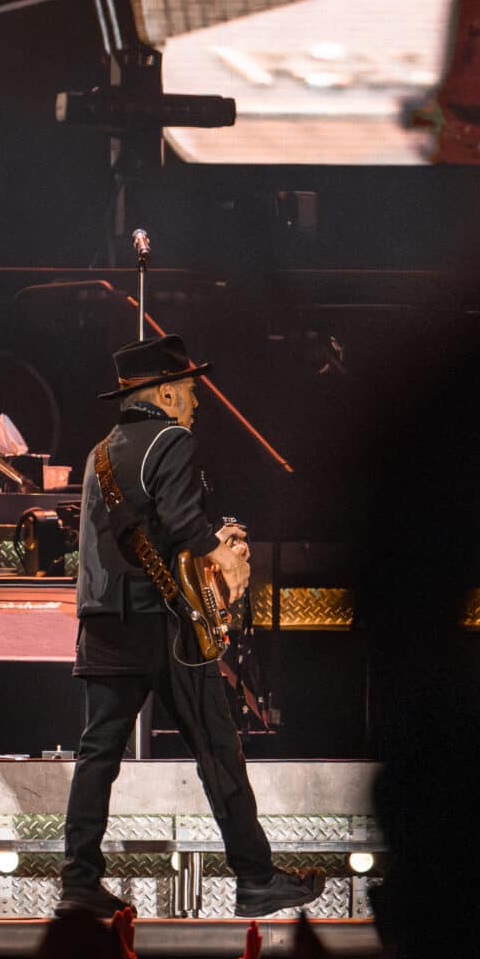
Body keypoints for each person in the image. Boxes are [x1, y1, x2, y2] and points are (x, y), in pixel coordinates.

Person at [60, 334, 324, 918]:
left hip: (103, 620)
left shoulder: (101, 450)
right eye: (192, 393)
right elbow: (183, 524)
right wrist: (224, 553)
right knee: (218, 748)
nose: (197, 404)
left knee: (97, 756)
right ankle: (255, 880)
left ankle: (78, 884)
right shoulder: (173, 440)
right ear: (170, 393)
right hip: (164, 626)